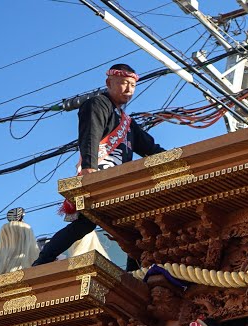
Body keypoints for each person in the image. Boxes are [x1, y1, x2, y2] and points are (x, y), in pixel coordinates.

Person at [34, 64, 166, 267]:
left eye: (132, 85)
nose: (128, 89)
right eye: (123, 83)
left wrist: (177, 159)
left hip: (119, 181)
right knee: (91, 224)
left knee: (129, 225)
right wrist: (88, 170)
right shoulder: (97, 104)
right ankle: (43, 261)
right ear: (109, 83)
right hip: (101, 176)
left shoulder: (127, 122)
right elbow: (90, 136)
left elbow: (151, 148)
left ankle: (134, 273)